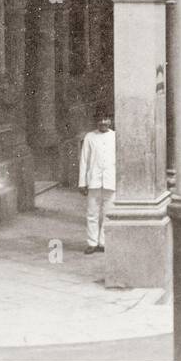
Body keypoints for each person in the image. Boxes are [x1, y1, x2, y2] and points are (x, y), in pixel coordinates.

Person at [78, 109, 116, 254]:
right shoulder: (90, 137)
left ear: (110, 120)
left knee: (108, 213)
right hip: (93, 181)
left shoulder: (115, 136)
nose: (103, 122)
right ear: (96, 121)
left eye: (106, 119)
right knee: (92, 213)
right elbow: (84, 160)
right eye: (100, 119)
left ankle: (103, 242)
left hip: (110, 181)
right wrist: (82, 182)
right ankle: (92, 242)